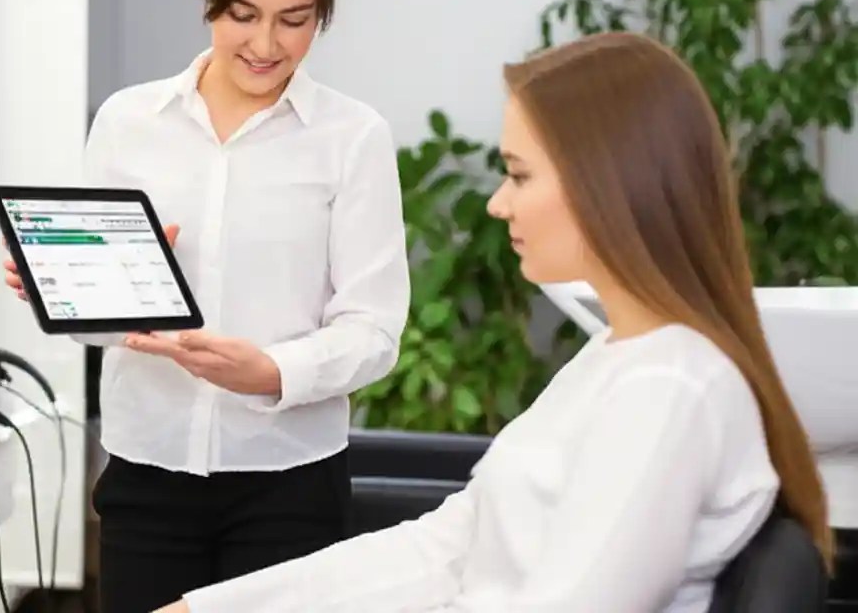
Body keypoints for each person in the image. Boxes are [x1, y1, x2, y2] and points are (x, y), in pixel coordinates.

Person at [150, 31, 835, 612]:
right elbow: (450, 548)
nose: (497, 204)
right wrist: (210, 608)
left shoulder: (669, 389)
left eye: (520, 176)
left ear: (607, 185)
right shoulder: (615, 356)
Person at [2, 0, 409, 610]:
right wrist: (74, 290)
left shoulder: (353, 138)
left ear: (321, 15)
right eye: (243, 14)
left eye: (294, 20)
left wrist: (271, 371)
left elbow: (374, 329)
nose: (266, 44)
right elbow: (102, 331)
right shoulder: (129, 122)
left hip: (290, 484)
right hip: (147, 473)